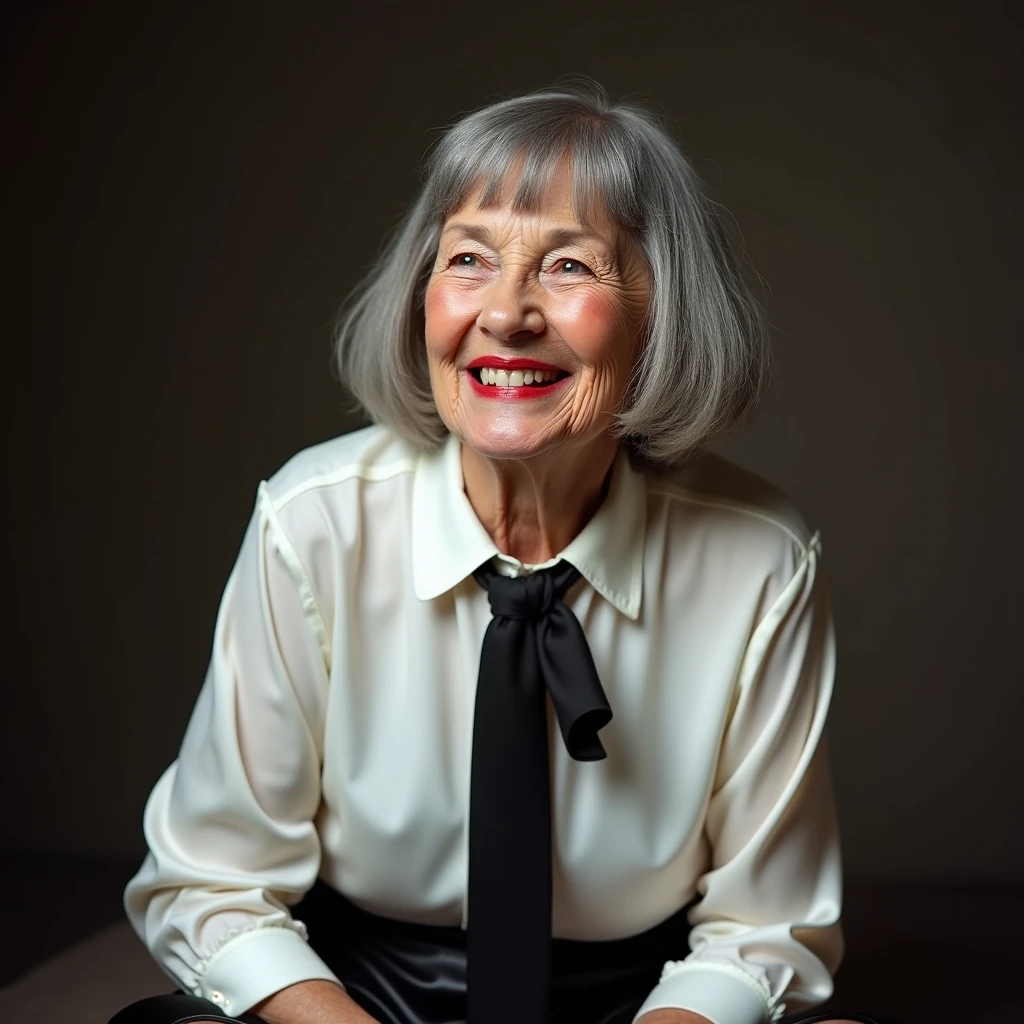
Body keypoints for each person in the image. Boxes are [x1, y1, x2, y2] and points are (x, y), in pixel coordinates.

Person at [110, 82, 899, 1024]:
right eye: (470, 258)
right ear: (424, 294)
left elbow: (766, 928)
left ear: (663, 310)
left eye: (569, 267)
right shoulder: (315, 520)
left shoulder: (760, 559)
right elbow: (212, 881)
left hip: (642, 1003)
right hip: (357, 996)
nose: (507, 312)